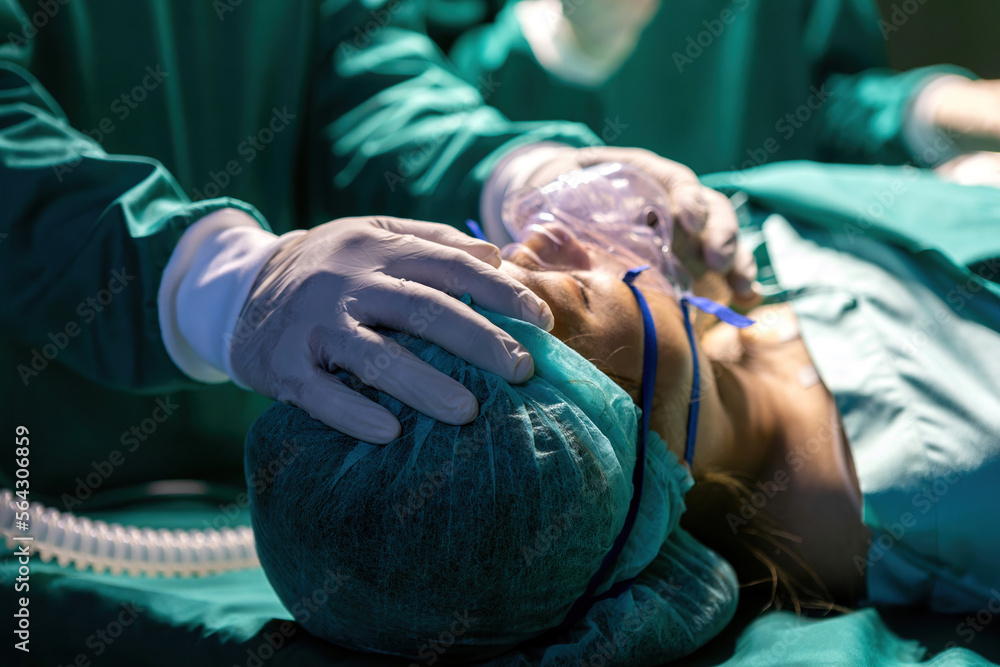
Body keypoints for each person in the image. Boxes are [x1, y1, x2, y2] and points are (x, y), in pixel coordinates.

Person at [246, 159, 1000, 663]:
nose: (536, 236)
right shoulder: (954, 470)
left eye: (488, 254)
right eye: (556, 300)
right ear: (616, 437)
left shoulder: (706, 265)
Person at [0, 0, 752, 499]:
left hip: (257, 479)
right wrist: (213, 281)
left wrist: (520, 175)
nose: (535, 252)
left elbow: (358, 67)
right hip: (41, 486)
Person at [445, 0, 1000, 176]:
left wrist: (937, 111)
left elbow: (819, 101)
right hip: (556, 299)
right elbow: (394, 130)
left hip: (767, 283)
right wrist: (565, 46)